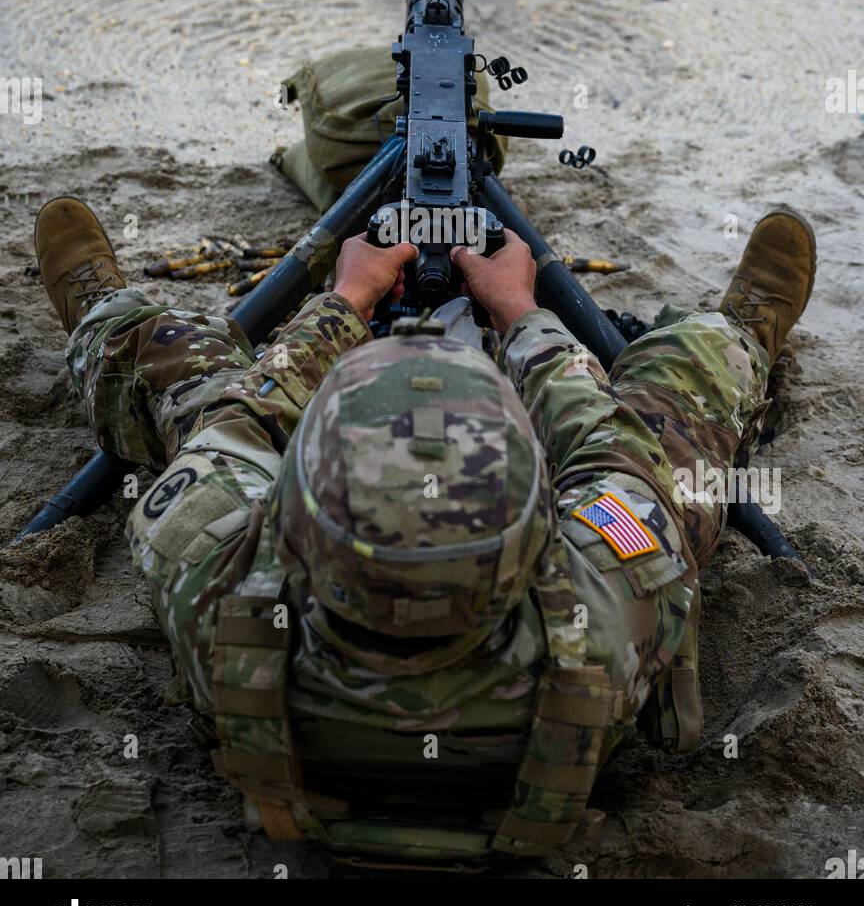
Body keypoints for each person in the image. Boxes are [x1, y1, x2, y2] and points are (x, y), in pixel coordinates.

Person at [32, 195, 815, 865]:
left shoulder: (212, 579)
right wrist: (521, 313)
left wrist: (346, 303)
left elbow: (236, 423)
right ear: (538, 533)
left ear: (291, 522)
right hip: (538, 765)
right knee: (683, 392)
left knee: (190, 373)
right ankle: (745, 330)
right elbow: (619, 457)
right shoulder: (609, 608)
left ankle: (105, 311)